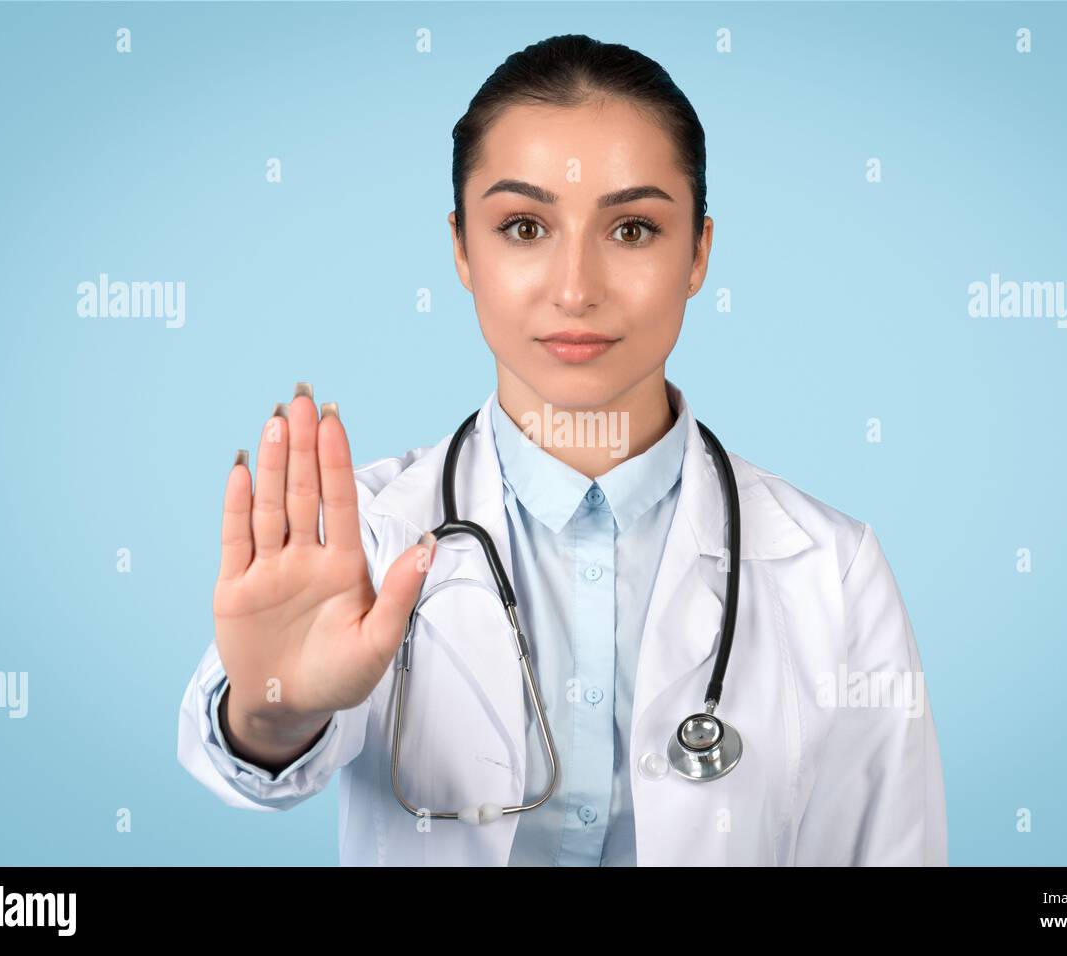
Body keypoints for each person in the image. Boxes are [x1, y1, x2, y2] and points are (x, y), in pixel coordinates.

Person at [177, 34, 948, 866]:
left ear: (699, 253)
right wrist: (274, 712)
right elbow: (250, 755)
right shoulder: (365, 533)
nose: (576, 288)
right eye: (523, 226)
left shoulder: (830, 569)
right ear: (462, 250)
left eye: (632, 229)